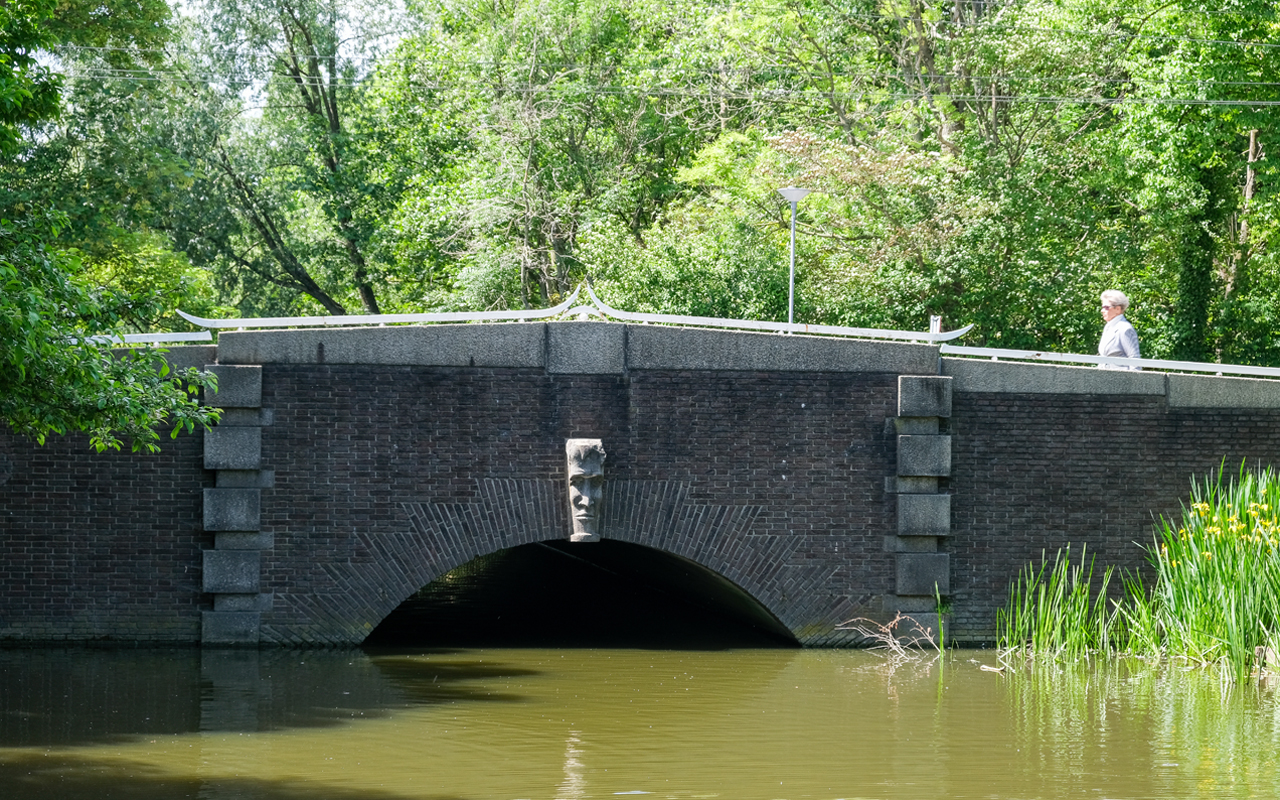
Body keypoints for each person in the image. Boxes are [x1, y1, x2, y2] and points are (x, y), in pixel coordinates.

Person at [1098, 290, 1141, 370]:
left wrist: (1134, 382)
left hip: (1121, 379)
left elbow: (1135, 361)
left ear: (1118, 309)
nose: (1102, 310)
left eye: (1106, 307)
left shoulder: (1125, 329)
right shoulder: (1108, 327)